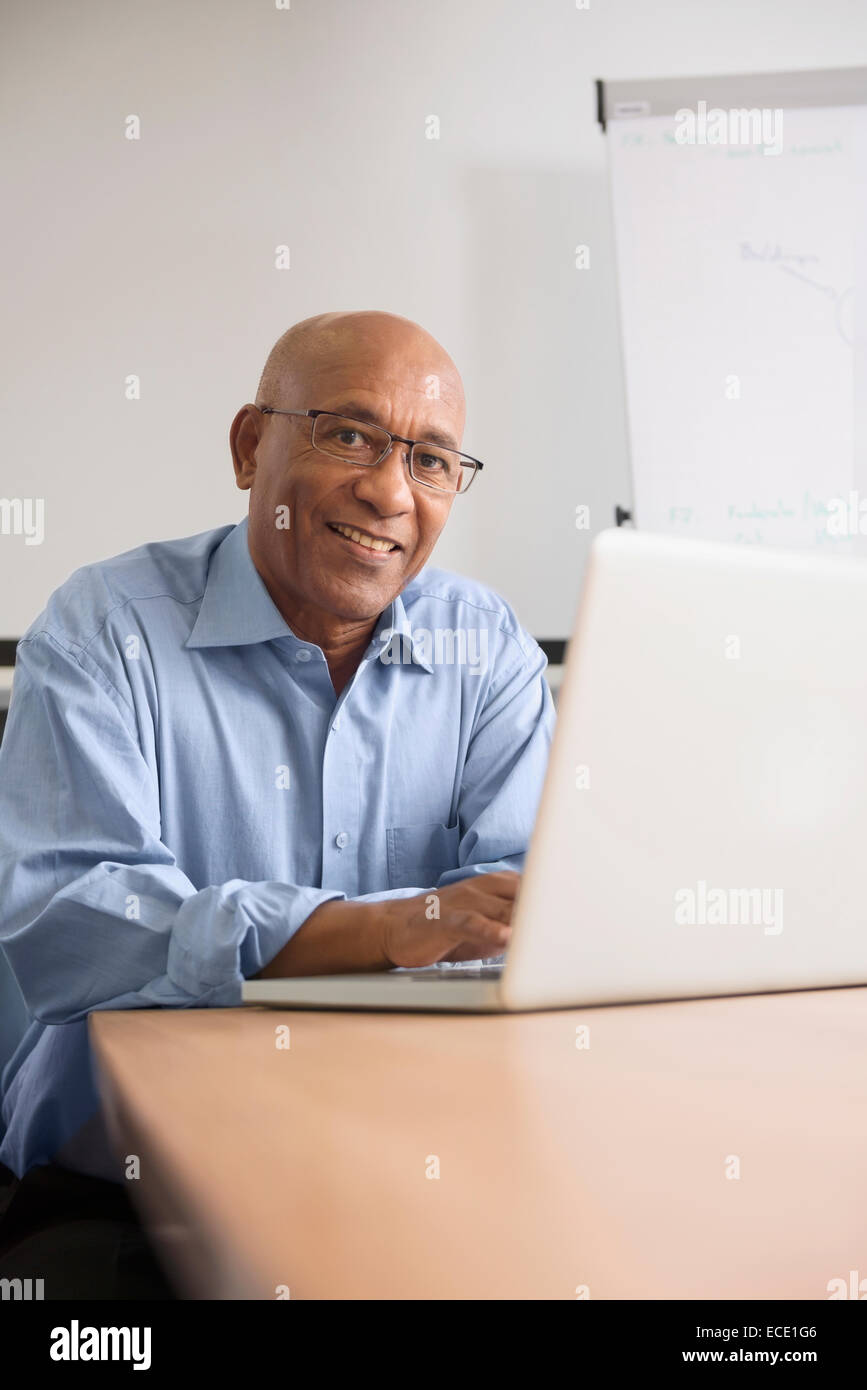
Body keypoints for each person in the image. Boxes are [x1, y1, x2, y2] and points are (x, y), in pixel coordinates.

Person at [0, 310, 555, 1296]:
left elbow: (520, 908)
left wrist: (462, 927)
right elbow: (77, 924)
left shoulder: (489, 642)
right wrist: (381, 930)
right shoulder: (102, 630)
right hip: (121, 1182)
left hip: (405, 1145)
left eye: (431, 460)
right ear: (251, 446)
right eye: (350, 435)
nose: (389, 491)